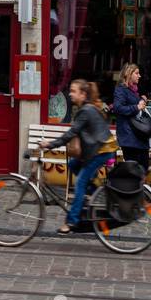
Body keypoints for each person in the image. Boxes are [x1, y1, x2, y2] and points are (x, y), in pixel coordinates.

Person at [45, 78, 112, 234]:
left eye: (74, 91)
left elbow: (71, 133)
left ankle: (72, 222)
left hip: (100, 151)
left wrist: (50, 144)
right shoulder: (85, 109)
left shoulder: (86, 110)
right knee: (73, 165)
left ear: (83, 94)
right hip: (95, 150)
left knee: (80, 182)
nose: (70, 94)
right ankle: (93, 192)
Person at [113, 63, 151, 173]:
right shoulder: (121, 89)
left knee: (143, 169)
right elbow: (118, 108)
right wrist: (137, 106)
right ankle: (132, 190)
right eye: (136, 73)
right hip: (129, 137)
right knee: (133, 170)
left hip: (140, 136)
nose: (139, 76)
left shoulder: (134, 91)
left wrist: (141, 100)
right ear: (128, 74)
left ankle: (138, 189)